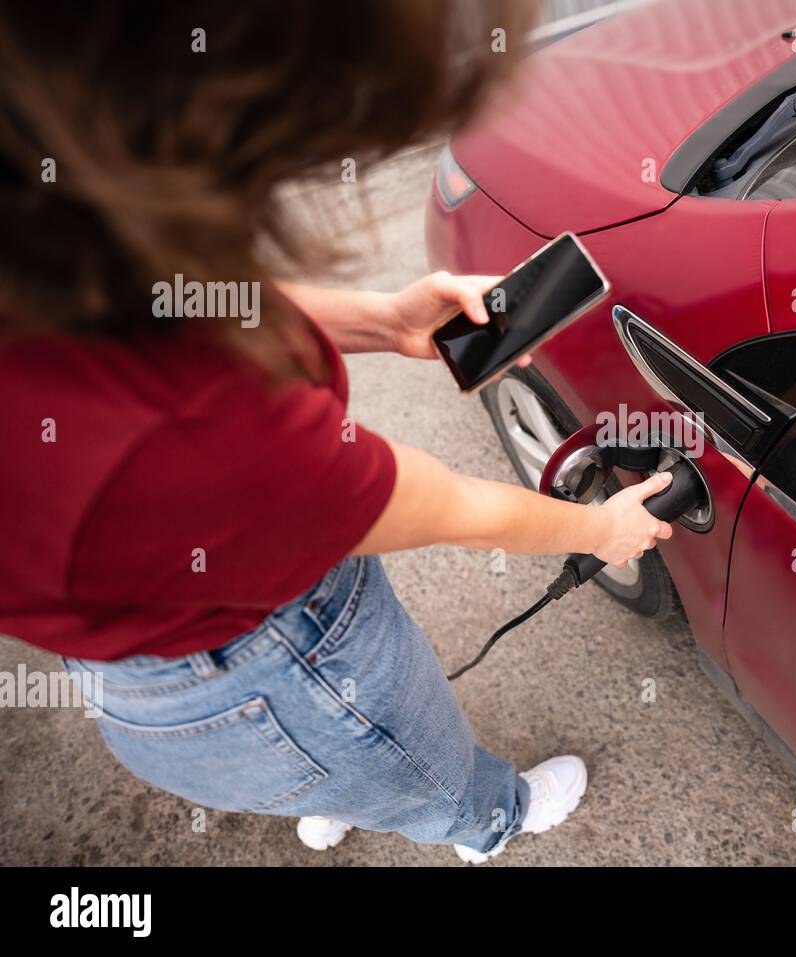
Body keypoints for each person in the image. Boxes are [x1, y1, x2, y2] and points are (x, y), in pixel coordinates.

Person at [0, 0, 674, 862]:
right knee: (417, 761)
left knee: (307, 754)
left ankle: (313, 776)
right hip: (280, 659)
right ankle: (487, 820)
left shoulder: (51, 251)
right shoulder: (204, 435)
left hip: (139, 677)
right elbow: (453, 505)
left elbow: (174, 301)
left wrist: (381, 320)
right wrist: (603, 527)